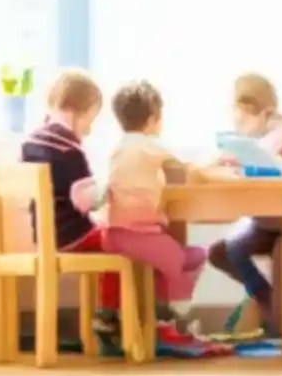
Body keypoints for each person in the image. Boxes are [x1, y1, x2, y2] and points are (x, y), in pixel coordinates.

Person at [72, 80, 213, 334]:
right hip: (141, 237)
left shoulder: (117, 148)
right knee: (194, 256)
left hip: (112, 235)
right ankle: (173, 315)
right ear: (152, 120)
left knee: (165, 254)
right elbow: (184, 164)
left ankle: (111, 313)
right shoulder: (150, 145)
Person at [20, 69, 120, 350]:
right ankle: (109, 316)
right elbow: (83, 200)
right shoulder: (69, 149)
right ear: (79, 112)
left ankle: (109, 317)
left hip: (45, 236)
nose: (89, 127)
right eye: (91, 118)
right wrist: (107, 188)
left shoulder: (30, 143)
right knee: (121, 243)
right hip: (72, 235)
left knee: (108, 234)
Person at [207, 74, 282, 336]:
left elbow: (263, 152)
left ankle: (278, 317)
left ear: (266, 111)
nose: (241, 123)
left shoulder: (280, 128)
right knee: (222, 251)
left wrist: (233, 156)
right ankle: (266, 299)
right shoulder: (246, 137)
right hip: (263, 219)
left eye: (246, 117)